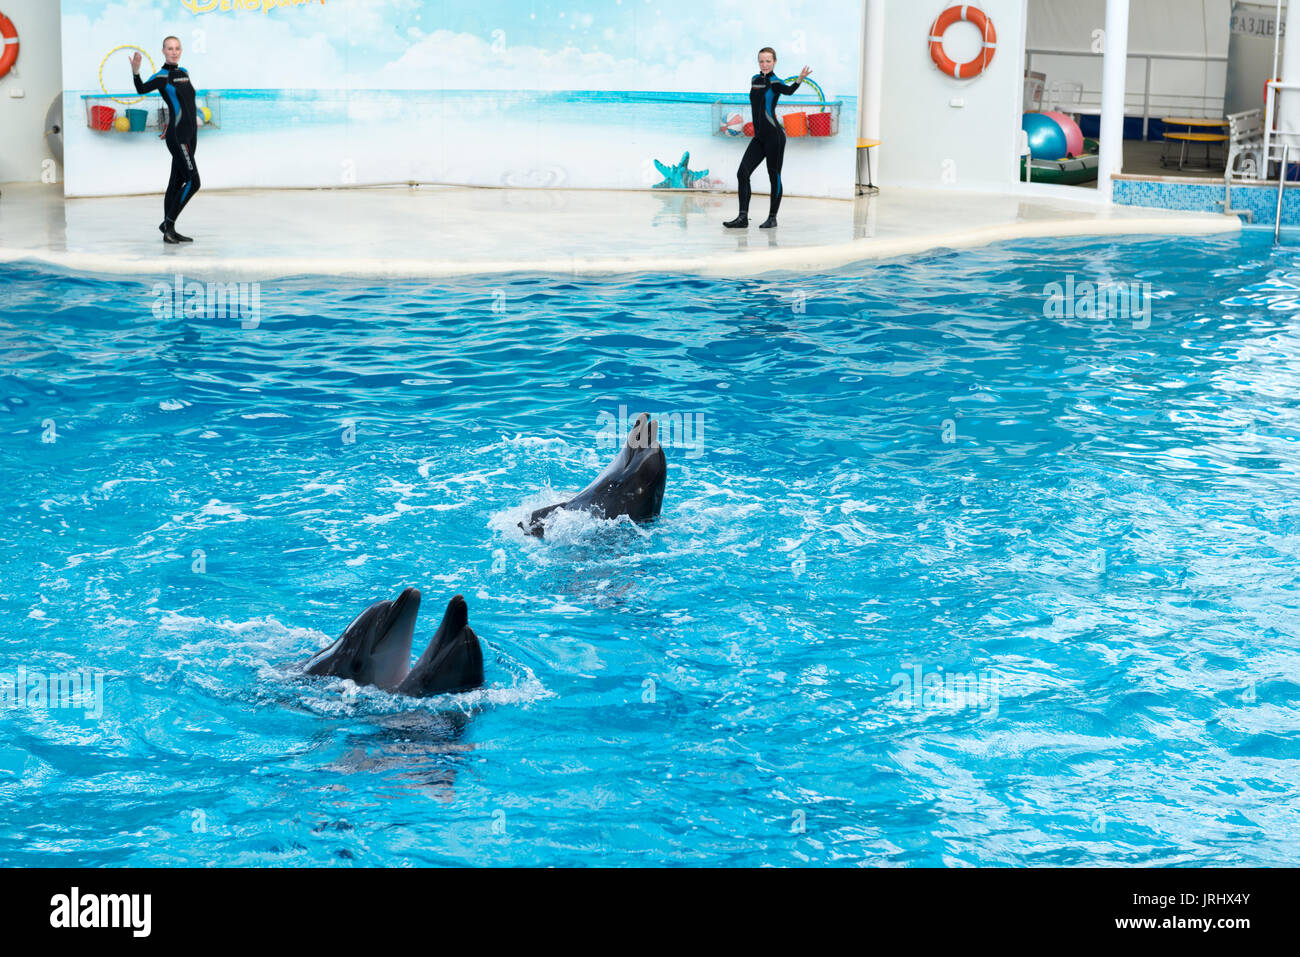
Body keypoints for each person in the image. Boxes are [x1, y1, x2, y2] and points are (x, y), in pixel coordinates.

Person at [724, 48, 811, 230]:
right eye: (761, 61)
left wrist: (799, 79)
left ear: (775, 62)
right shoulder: (754, 80)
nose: (764, 64)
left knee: (774, 176)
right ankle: (742, 218)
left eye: (768, 61)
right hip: (759, 138)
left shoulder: (775, 82)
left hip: (775, 138)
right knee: (742, 173)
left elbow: (788, 91)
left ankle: (772, 218)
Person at [130, 37, 200, 243]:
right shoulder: (161, 77)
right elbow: (141, 89)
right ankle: (167, 223)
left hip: (190, 134)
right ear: (163, 51)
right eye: (170, 48)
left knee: (176, 182)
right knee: (194, 182)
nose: (174, 51)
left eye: (177, 48)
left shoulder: (184, 72)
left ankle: (170, 229)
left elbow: (185, 104)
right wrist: (135, 72)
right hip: (178, 136)